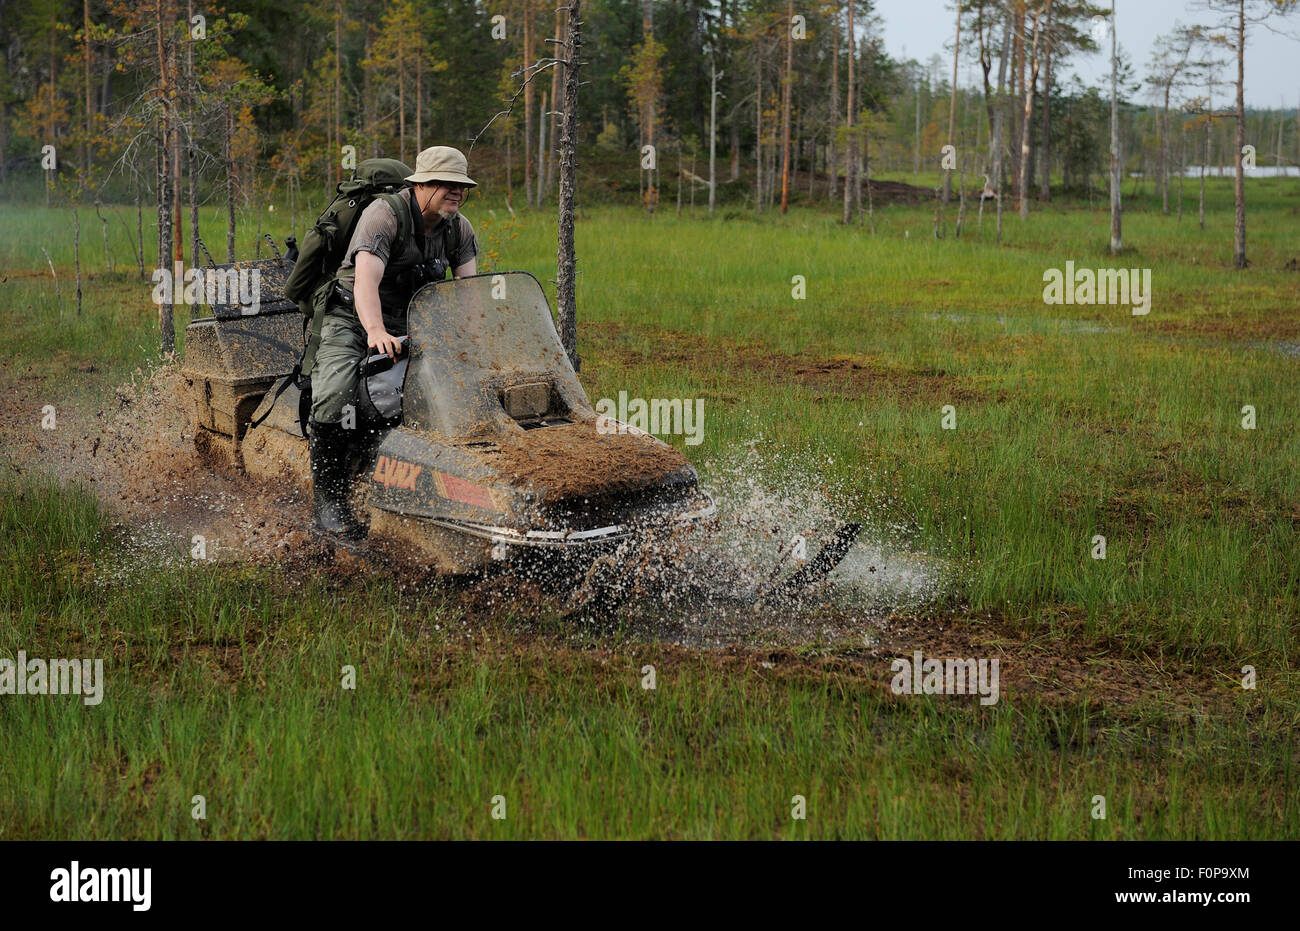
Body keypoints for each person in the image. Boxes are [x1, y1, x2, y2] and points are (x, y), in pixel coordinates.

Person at [307, 145, 479, 537]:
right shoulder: (384, 215)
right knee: (336, 394)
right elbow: (366, 280)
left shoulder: (459, 228)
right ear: (420, 185)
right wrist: (376, 332)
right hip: (352, 316)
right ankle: (329, 506)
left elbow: (469, 295)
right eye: (444, 184)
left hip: (415, 320)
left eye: (460, 186)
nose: (455, 192)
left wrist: (470, 342)